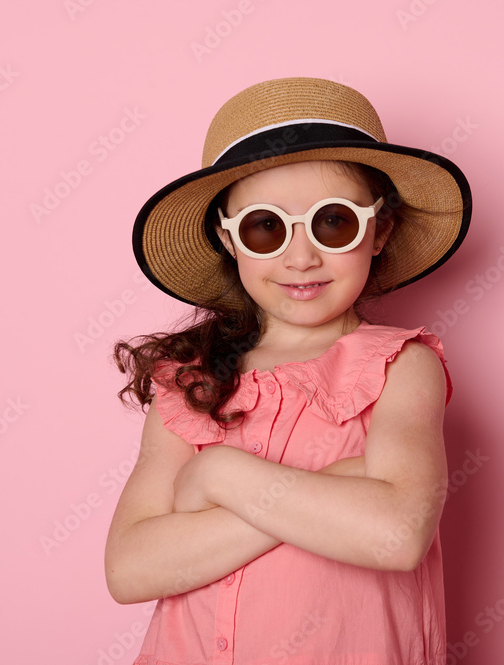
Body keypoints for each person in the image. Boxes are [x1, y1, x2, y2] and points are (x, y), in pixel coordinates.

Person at [104, 77, 472, 664]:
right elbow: (130, 568)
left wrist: (219, 475)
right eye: (266, 227)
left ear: (379, 230)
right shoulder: (190, 381)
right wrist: (336, 490)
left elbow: (396, 534)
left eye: (333, 222)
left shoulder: (402, 365)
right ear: (228, 240)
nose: (301, 258)